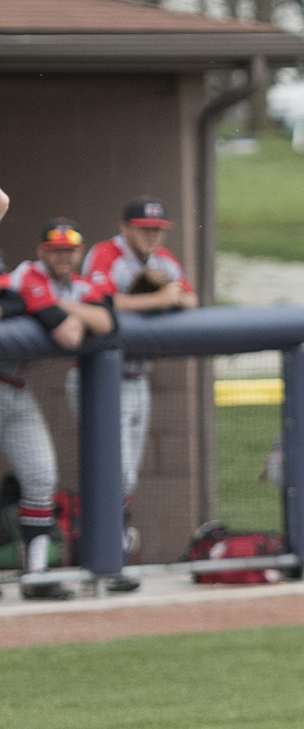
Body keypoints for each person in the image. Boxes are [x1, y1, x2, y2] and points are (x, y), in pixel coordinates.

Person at [69, 197, 199, 586]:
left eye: (156, 229)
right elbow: (100, 303)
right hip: (99, 381)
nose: (151, 234)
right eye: (143, 228)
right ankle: (102, 560)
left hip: (138, 379)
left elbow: (190, 299)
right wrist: (158, 299)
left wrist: (168, 294)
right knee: (115, 472)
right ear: (125, 228)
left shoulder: (164, 261)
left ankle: (114, 555)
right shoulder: (105, 253)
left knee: (128, 477)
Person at [5, 220, 117, 601]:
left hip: (18, 391)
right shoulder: (27, 277)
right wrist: (73, 312)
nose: (63, 256)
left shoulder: (77, 286)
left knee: (40, 478)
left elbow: (108, 322)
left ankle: (36, 574)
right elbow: (70, 335)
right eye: (55, 250)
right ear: (41, 251)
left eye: (69, 250)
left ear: (79, 252)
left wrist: (63, 306)